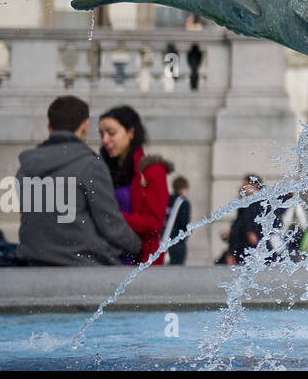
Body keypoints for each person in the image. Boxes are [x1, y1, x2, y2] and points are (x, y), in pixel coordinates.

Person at [16, 95, 141, 266]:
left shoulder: (26, 168)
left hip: (34, 262)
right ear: (84, 126)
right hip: (83, 265)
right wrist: (138, 246)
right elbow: (111, 226)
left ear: (49, 127)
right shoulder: (89, 165)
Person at [98, 105, 172, 265]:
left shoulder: (152, 170)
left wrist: (112, 219)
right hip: (106, 259)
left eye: (111, 133)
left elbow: (153, 223)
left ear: (131, 132)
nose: (105, 140)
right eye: (102, 134)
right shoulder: (100, 170)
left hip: (141, 261)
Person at [218, 174, 266, 265]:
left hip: (247, 252)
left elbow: (248, 231)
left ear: (254, 187)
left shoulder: (256, 205)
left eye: (245, 186)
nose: (242, 189)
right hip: (243, 251)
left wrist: (231, 252)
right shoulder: (247, 205)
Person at [162, 176, 191, 265]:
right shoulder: (183, 202)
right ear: (184, 188)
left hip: (163, 240)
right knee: (176, 272)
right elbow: (184, 222)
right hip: (177, 242)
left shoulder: (166, 199)